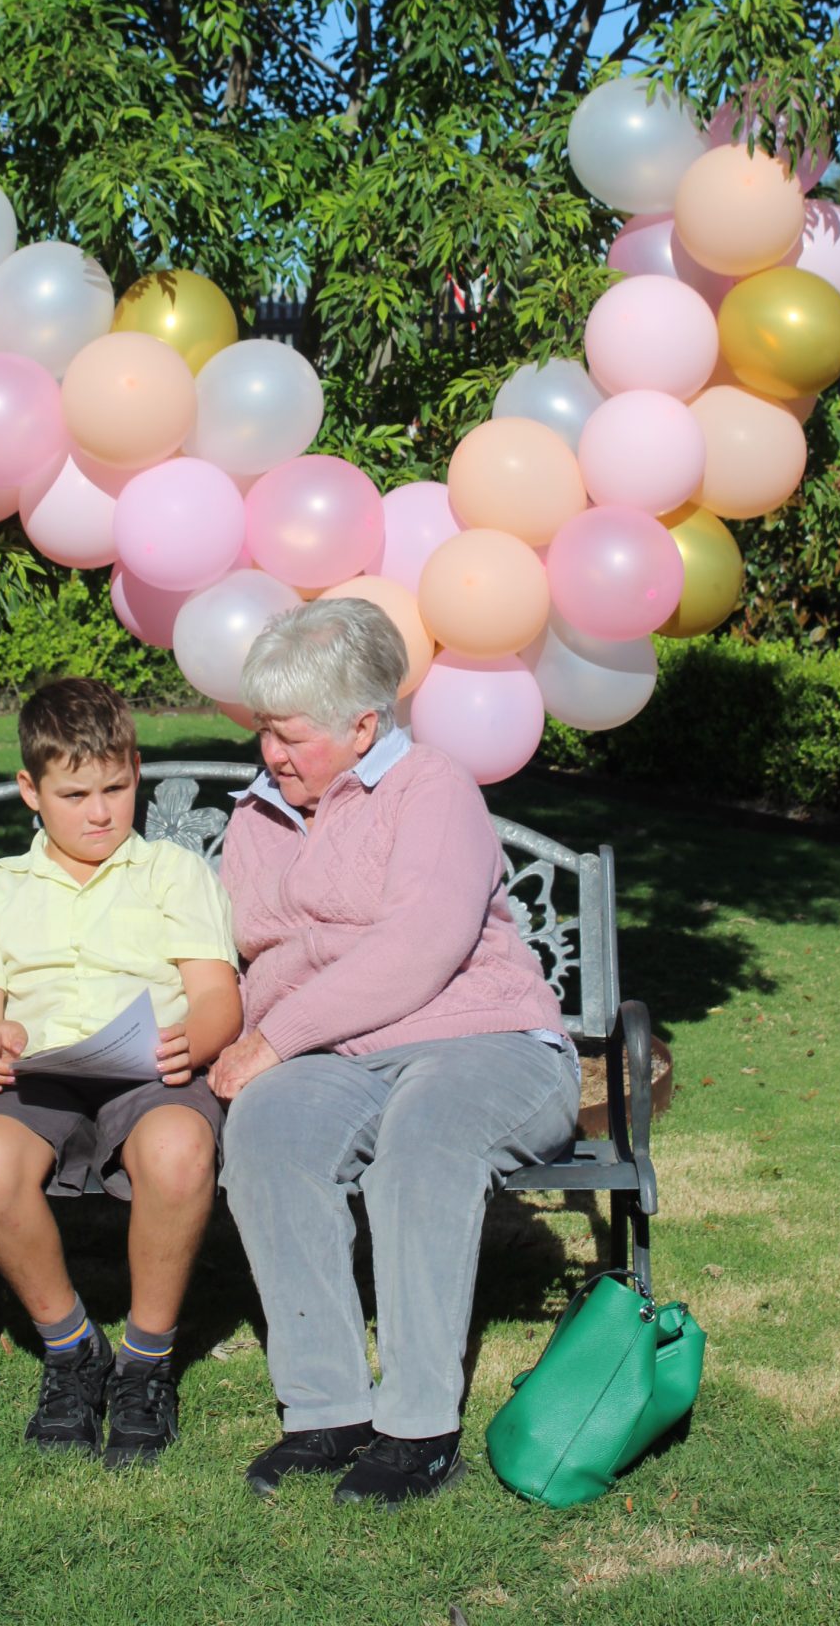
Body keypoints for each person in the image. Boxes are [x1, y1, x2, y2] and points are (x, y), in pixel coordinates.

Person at [212, 598, 580, 1507]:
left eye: (290, 735)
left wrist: (279, 1032)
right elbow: (242, 951)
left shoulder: (431, 787)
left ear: (364, 725)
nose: (272, 754)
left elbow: (420, 945)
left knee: (424, 1148)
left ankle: (418, 1426)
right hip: (335, 1055)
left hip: (480, 1039)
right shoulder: (256, 818)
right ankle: (325, 1407)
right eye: (264, 732)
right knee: (266, 1132)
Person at [0, 677, 242, 1467]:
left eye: (116, 787)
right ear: (29, 791)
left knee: (179, 1152)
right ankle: (72, 1347)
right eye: (74, 793)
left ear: (136, 772)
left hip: (149, 1067)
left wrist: (195, 1038)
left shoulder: (172, 874)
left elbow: (218, 996)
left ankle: (144, 1363)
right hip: (41, 1075)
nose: (101, 811)